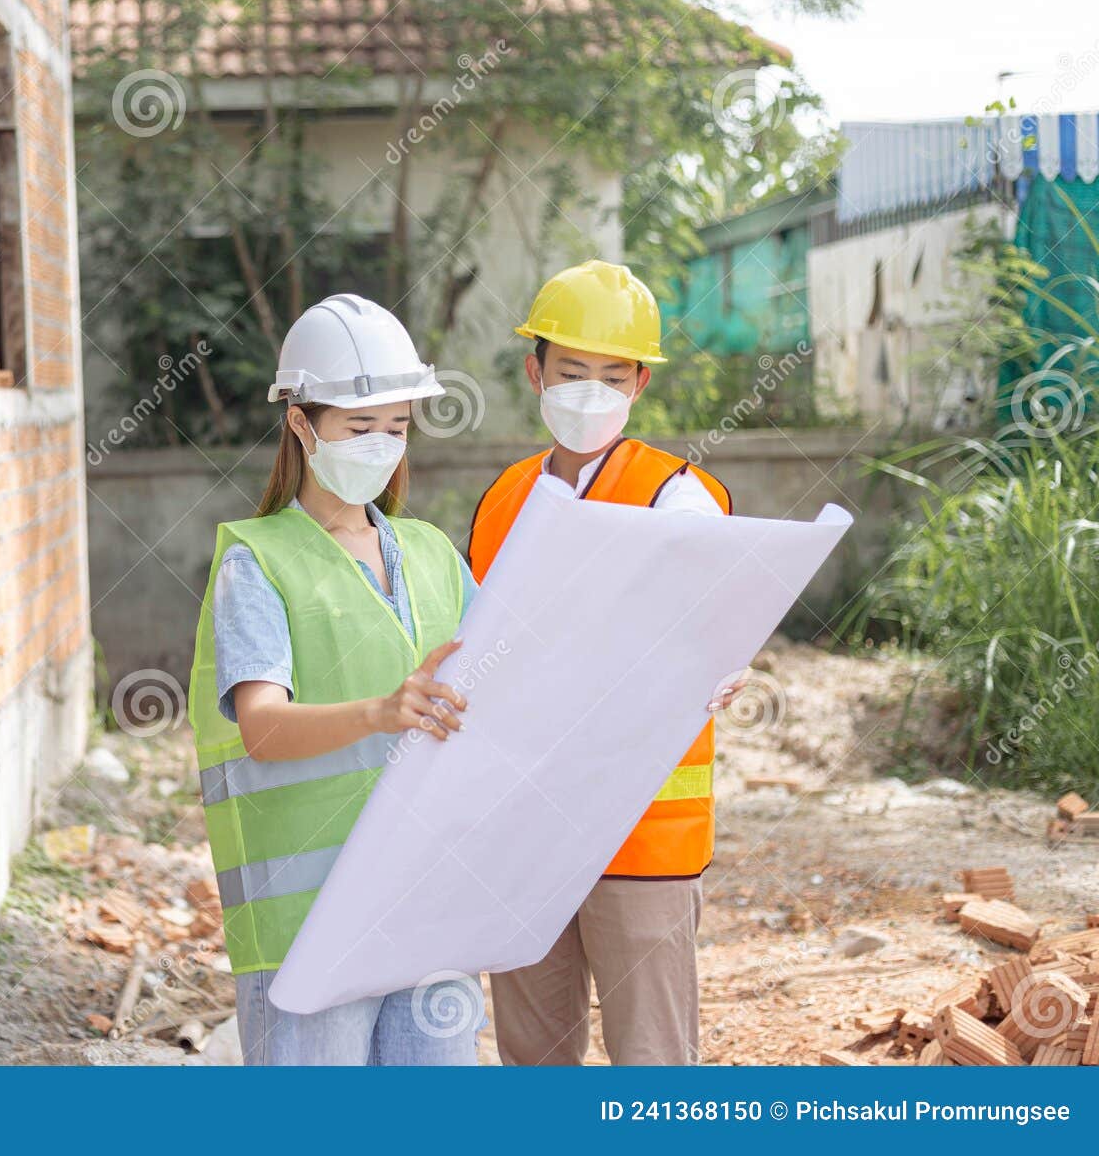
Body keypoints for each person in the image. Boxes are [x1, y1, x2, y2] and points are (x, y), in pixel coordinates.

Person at [186, 294, 485, 1065]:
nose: (383, 444)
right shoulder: (259, 560)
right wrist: (382, 711)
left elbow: (508, 687)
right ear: (300, 421)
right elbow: (261, 724)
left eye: (397, 426)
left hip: (429, 906)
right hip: (307, 928)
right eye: (360, 426)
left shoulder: (431, 552)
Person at [469, 259, 742, 1067]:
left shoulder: (676, 495)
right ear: (535, 372)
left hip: (639, 841)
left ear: (639, 384)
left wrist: (728, 659)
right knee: (534, 1061)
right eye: (572, 371)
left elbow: (721, 623)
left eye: (610, 374)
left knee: (651, 1066)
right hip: (524, 835)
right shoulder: (503, 499)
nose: (589, 390)